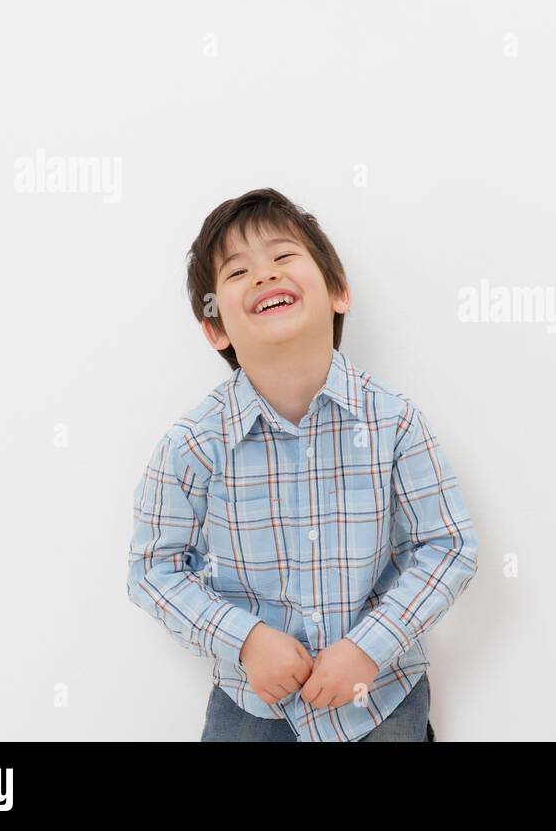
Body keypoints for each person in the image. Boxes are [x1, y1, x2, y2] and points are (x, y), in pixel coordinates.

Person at [127, 188, 478, 741]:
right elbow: (154, 568)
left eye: (284, 257)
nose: (265, 275)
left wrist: (370, 646)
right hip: (253, 707)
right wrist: (244, 639)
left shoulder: (393, 422)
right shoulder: (194, 443)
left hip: (382, 698)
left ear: (337, 291)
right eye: (238, 271)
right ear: (215, 328)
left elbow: (448, 546)